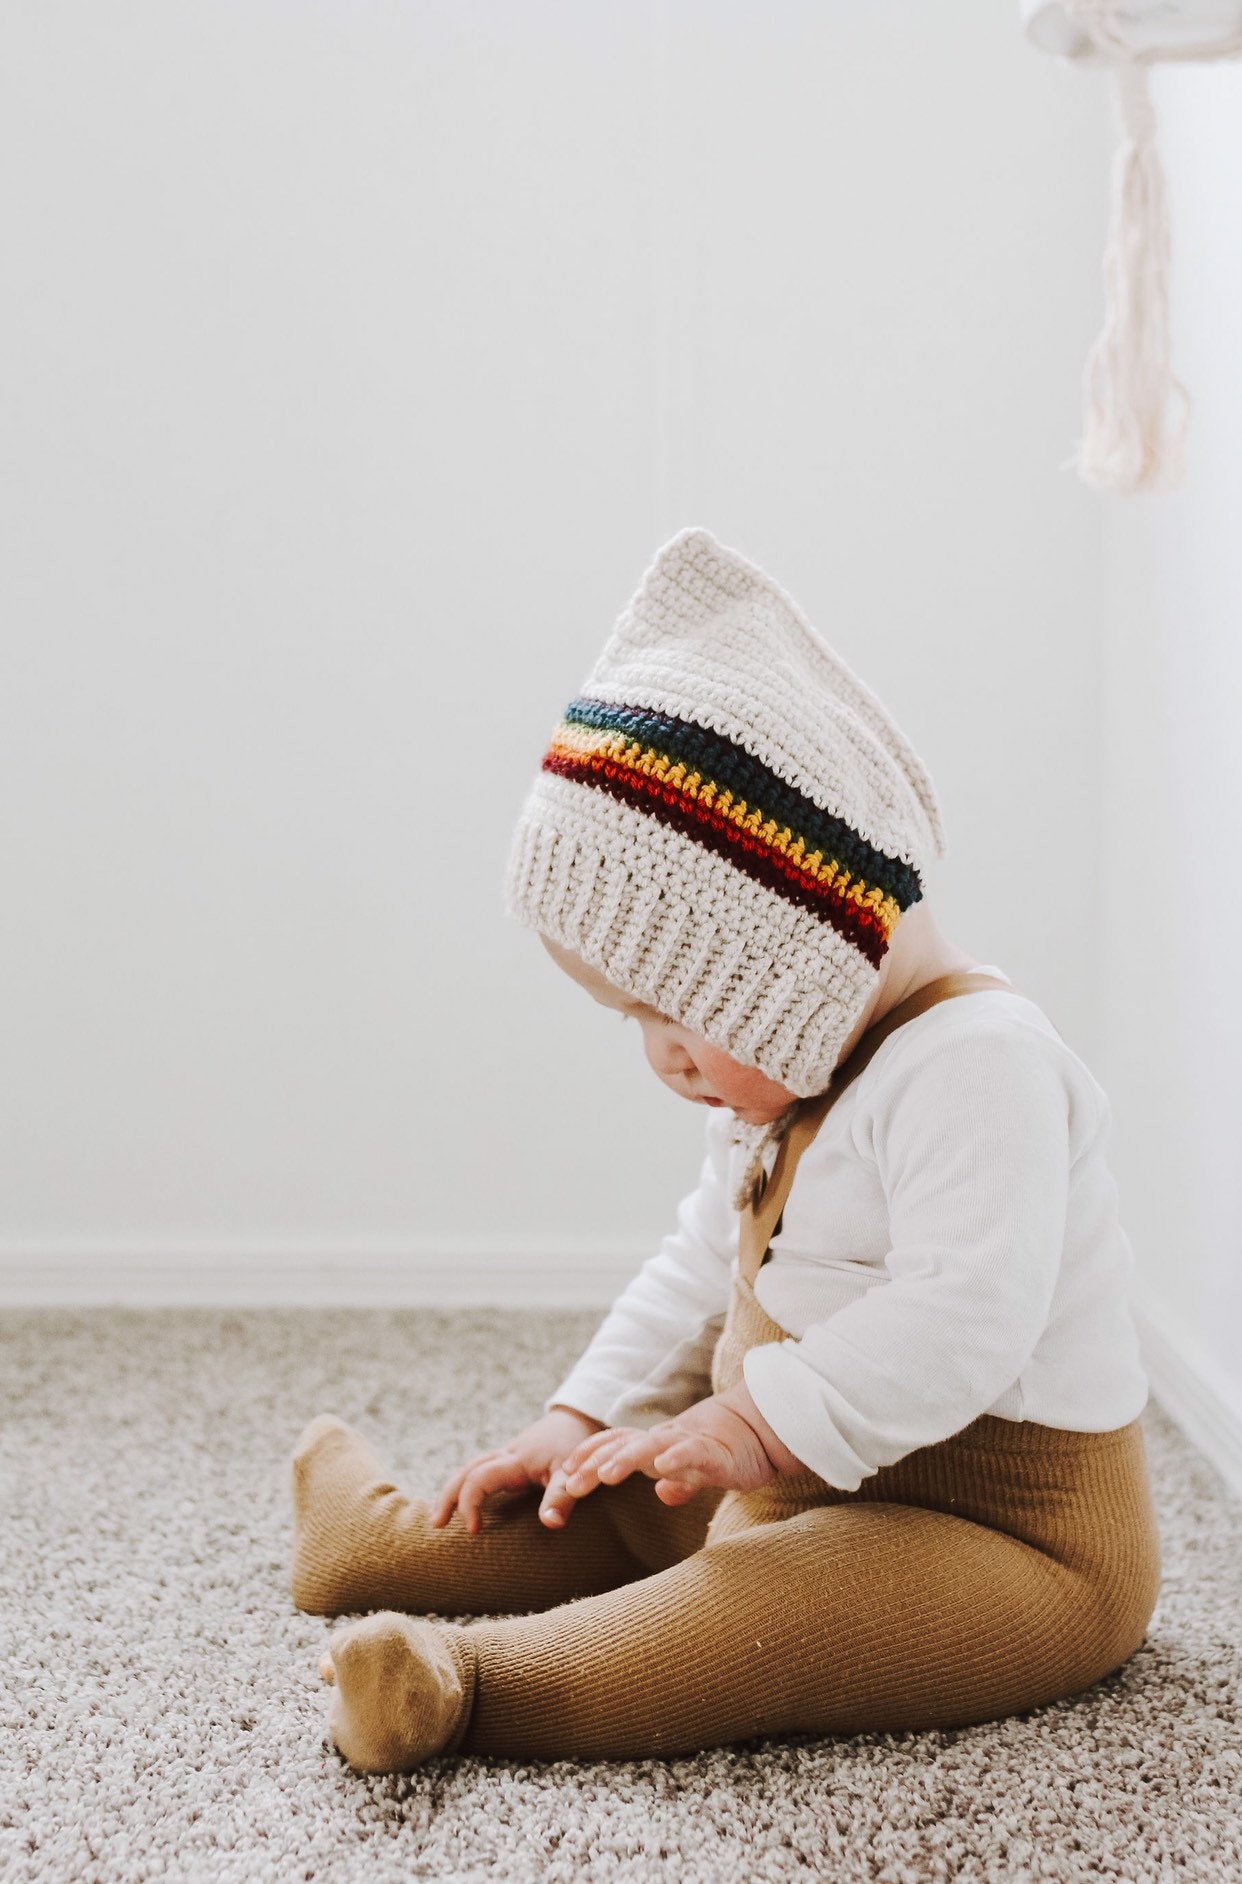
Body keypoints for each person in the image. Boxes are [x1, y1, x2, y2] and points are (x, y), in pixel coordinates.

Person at [290, 526, 1161, 1773]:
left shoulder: (980, 1067)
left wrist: (753, 1432)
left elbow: (971, 1313)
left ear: (782, 962)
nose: (660, 1057)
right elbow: (704, 1264)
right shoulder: (792, 1075)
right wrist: (577, 1415)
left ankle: (460, 1688)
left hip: (995, 1535)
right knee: (600, 1494)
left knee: (757, 1610)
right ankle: (368, 1546)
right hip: (789, 1467)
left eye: (668, 1009)